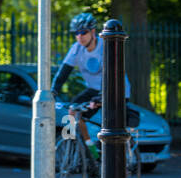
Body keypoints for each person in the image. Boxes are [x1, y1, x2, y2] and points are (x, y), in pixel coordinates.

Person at [53, 12, 131, 156]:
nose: (79, 36)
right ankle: (83, 149)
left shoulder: (104, 46)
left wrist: (100, 98)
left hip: (116, 89)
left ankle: (117, 155)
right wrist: (53, 91)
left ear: (93, 32)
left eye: (83, 32)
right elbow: (63, 72)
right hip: (94, 89)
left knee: (112, 126)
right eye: (76, 33)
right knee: (72, 112)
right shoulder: (76, 48)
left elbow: (112, 74)